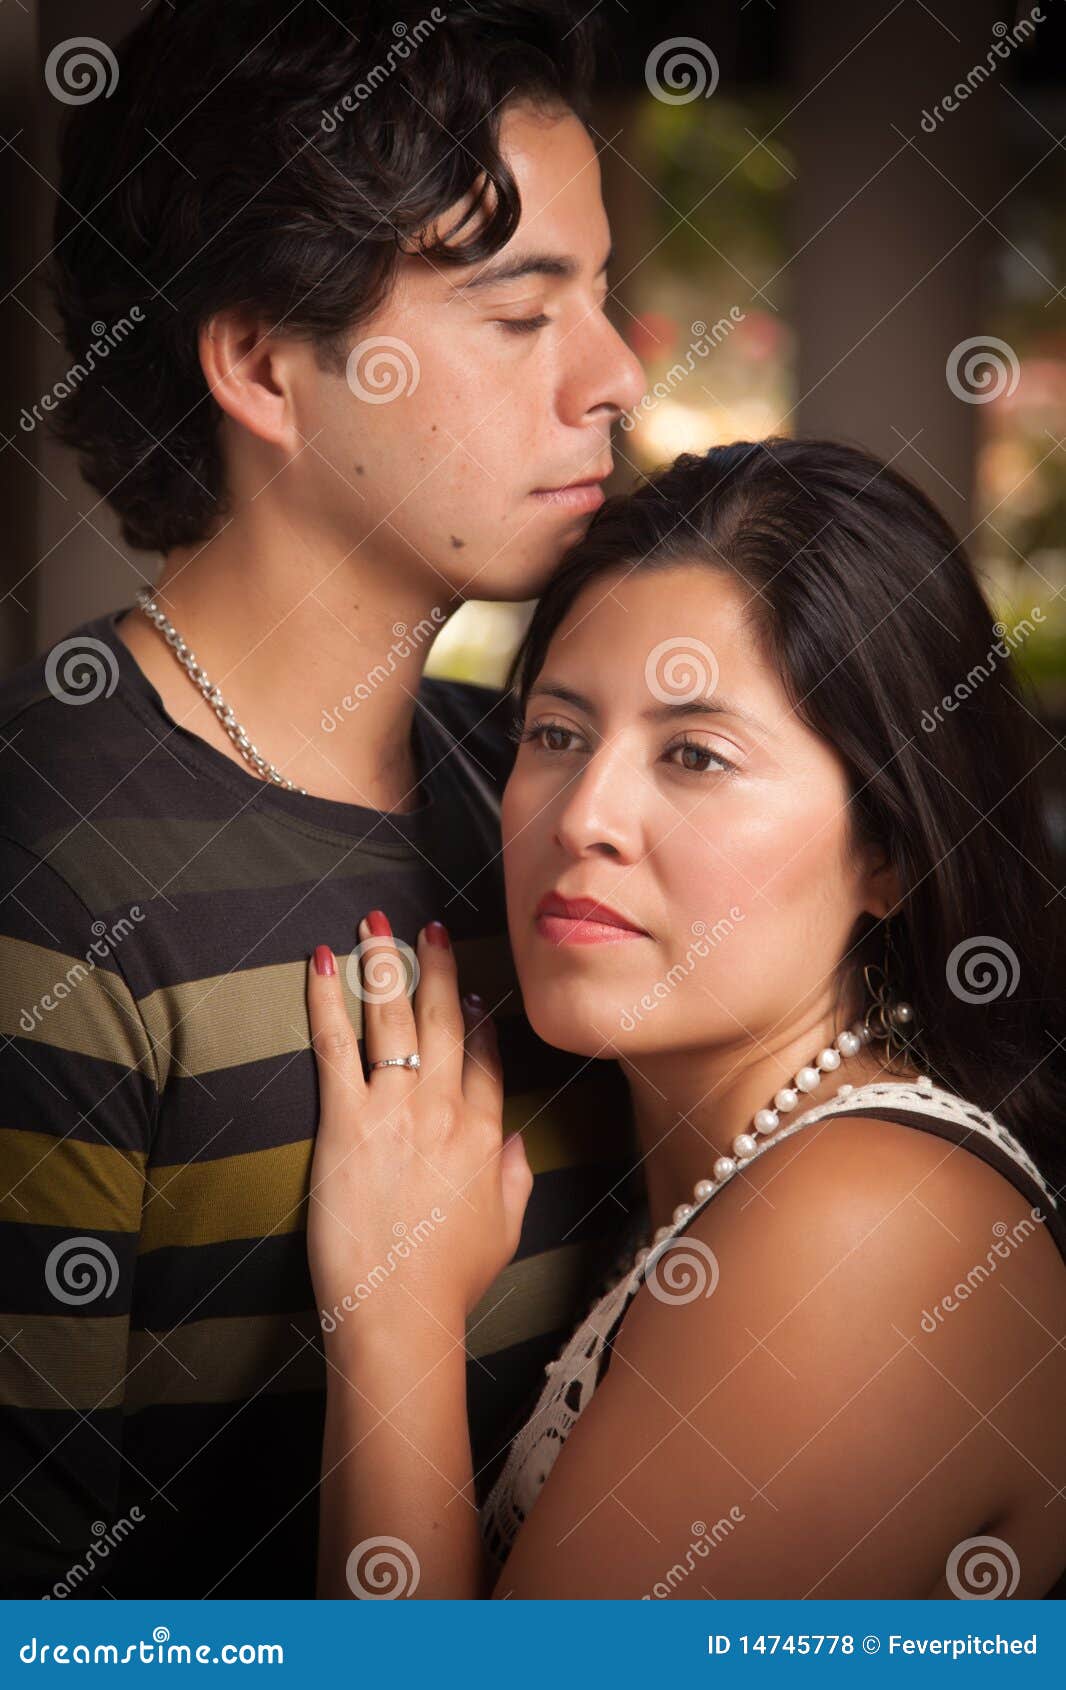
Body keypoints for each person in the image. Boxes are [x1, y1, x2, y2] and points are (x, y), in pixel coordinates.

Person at [0, 0, 645, 1597]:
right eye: (518, 313)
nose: (618, 375)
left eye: (606, 299)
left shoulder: (557, 798)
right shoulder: (48, 876)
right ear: (264, 366)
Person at [305, 438, 1066, 1600]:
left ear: (891, 851)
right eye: (555, 735)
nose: (584, 817)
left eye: (696, 755)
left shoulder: (871, 1231)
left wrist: (394, 1318)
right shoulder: (727, 1173)